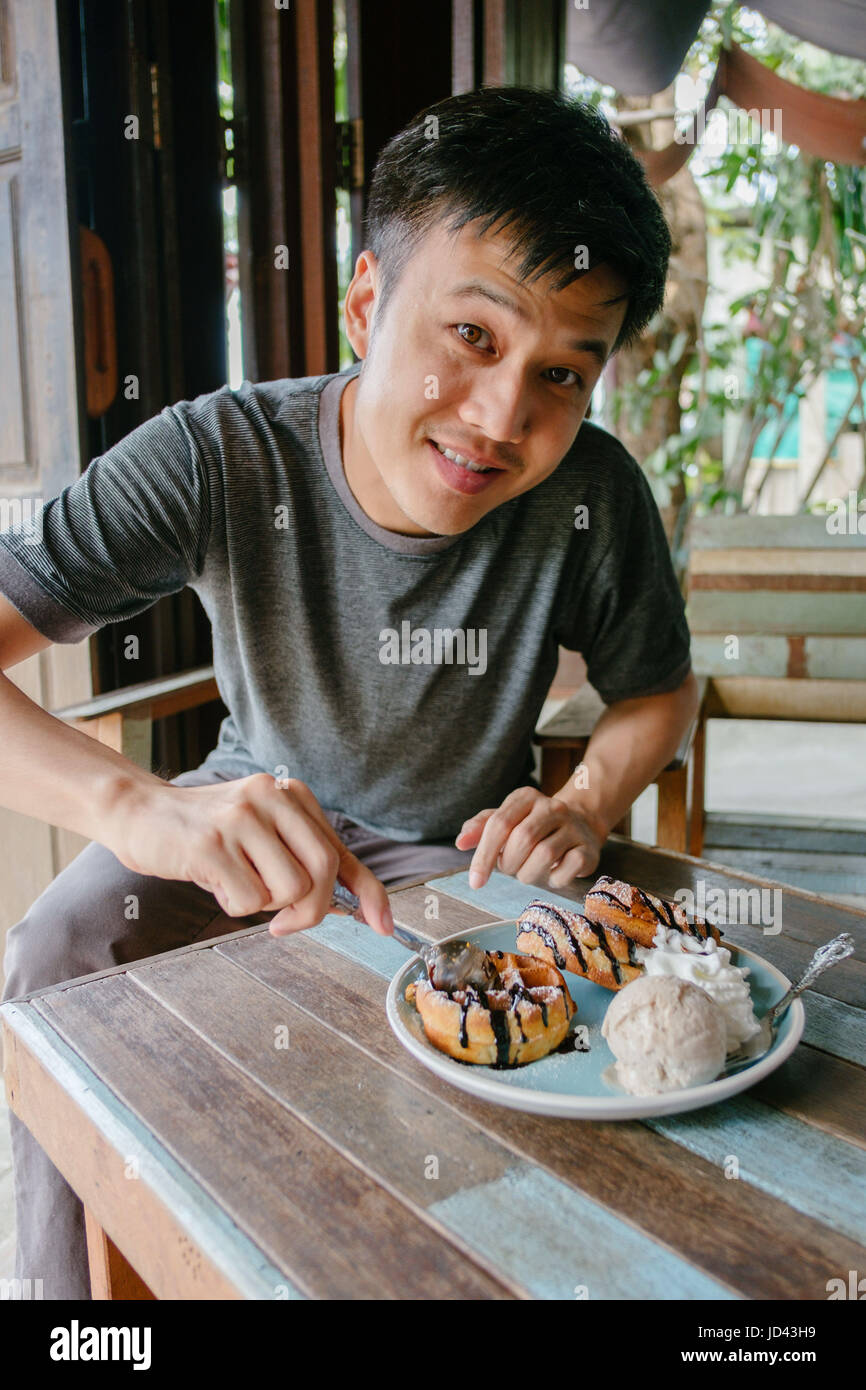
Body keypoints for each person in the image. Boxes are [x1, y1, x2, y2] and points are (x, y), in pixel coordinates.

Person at [0, 85, 697, 1298]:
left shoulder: (590, 491)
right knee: (54, 947)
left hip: (462, 862)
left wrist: (582, 800)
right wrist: (136, 807)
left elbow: (656, 694)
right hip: (245, 819)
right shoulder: (218, 454)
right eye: (472, 338)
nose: (501, 419)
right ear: (367, 301)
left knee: (592, 1038)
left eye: (561, 375)